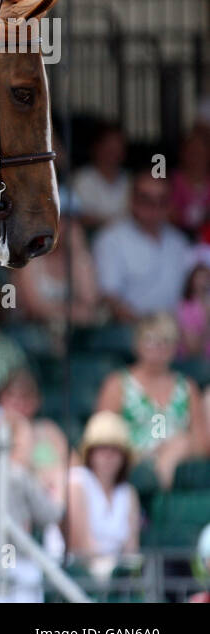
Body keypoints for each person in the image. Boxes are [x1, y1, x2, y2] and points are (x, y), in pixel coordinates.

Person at [95, 313, 210, 489]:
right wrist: (142, 454)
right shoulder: (118, 384)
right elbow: (102, 434)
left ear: (174, 347)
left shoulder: (187, 388)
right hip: (132, 461)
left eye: (166, 341)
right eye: (151, 340)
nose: (158, 348)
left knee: (181, 443)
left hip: (176, 460)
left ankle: (157, 493)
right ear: (137, 344)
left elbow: (200, 445)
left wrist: (170, 448)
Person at [93, 173, 191, 322]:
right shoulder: (111, 240)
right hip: (130, 334)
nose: (154, 207)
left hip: (179, 334)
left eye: (162, 201)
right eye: (147, 200)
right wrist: (148, 330)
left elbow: (192, 296)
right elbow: (110, 297)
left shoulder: (179, 242)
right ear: (132, 201)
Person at [65, 411, 140, 579]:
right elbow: (80, 547)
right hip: (77, 576)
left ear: (124, 456)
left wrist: (123, 572)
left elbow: (131, 550)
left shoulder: (129, 494)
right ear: (90, 453)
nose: (108, 456)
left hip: (116, 579)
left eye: (115, 449)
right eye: (102, 448)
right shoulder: (76, 482)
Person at [70, 122, 130, 230]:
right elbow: (80, 216)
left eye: (118, 145)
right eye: (108, 145)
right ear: (96, 147)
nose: (113, 151)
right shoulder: (81, 179)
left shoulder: (130, 179)